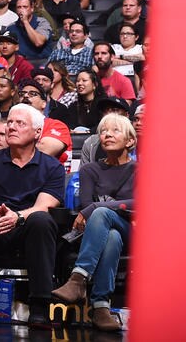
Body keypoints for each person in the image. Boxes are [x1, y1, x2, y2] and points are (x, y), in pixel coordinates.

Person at [0, 104, 64, 327]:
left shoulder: (52, 167)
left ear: (37, 133)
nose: (12, 127)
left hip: (28, 226)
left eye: (20, 123)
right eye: (10, 122)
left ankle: (39, 306)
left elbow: (45, 205)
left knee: (42, 220)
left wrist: (17, 217)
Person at [51, 113, 136, 331]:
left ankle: (78, 279)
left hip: (132, 231)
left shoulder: (140, 170)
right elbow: (86, 205)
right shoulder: (90, 170)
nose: (107, 134)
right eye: (104, 131)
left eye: (115, 130)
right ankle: (101, 308)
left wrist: (96, 208)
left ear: (130, 140)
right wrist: (96, 208)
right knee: (111, 236)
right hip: (99, 233)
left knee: (102, 215)